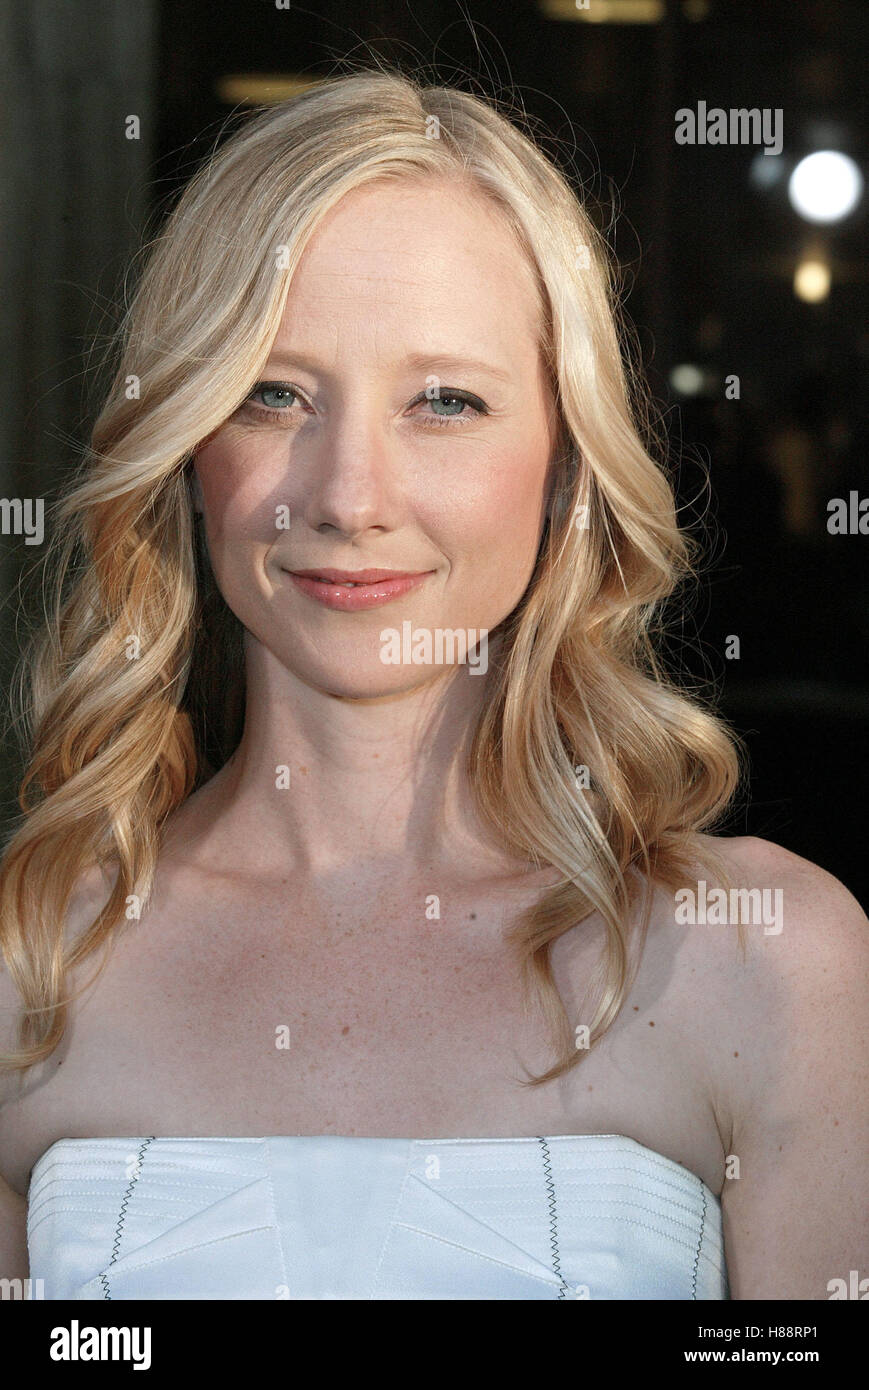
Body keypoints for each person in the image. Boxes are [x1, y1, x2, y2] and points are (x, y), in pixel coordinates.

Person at [0, 67, 865, 1301]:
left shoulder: (772, 966)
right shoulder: (31, 969)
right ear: (190, 449)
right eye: (273, 392)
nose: (351, 496)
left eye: (444, 402)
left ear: (565, 464)